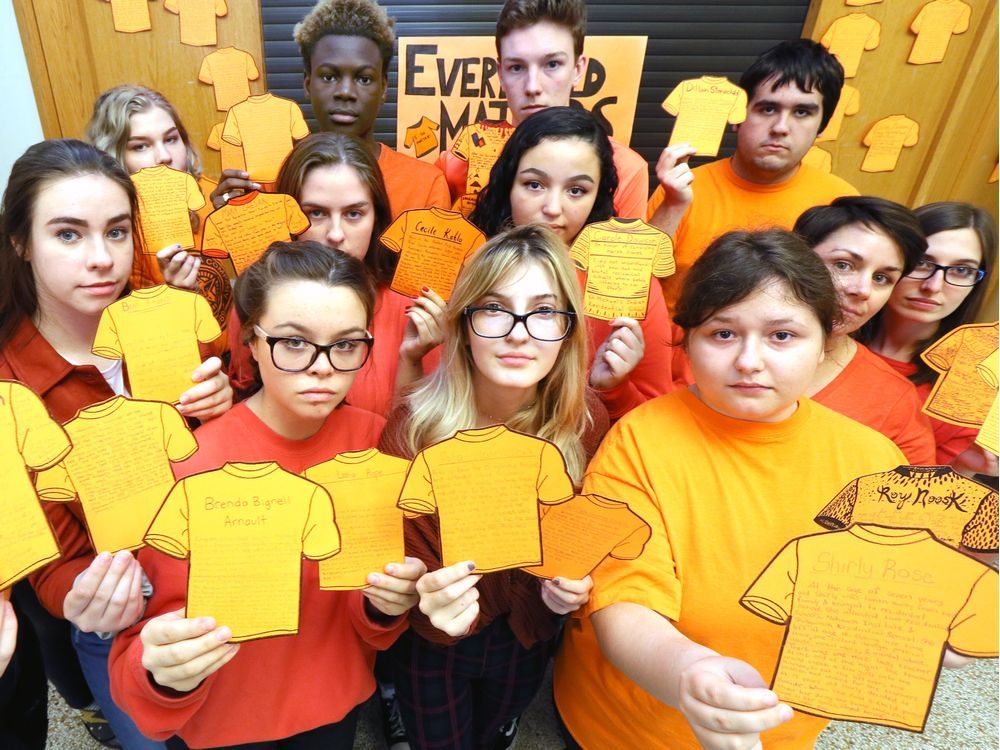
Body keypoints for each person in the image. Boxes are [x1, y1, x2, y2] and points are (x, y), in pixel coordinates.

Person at [553, 229, 908, 750]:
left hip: (780, 727)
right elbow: (624, 595)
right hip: (625, 727)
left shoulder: (875, 461)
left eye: (782, 335)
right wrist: (690, 670)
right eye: (723, 334)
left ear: (825, 343)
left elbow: (888, 594)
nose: (749, 361)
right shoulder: (640, 439)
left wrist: (922, 625)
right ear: (688, 341)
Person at [109, 241, 426, 748]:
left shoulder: (377, 445)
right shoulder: (187, 463)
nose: (323, 366)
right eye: (294, 342)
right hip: (221, 724)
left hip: (332, 709)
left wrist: (385, 606)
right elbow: (137, 653)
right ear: (253, 342)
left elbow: (374, 621)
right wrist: (162, 672)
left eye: (346, 344)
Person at [0, 139, 233, 749]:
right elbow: (45, 550)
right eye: (69, 235)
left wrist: (224, 409)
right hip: (118, 610)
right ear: (22, 242)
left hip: (210, 574)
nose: (102, 259)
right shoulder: (10, 386)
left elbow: (222, 459)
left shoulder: (167, 321)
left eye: (117, 231)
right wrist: (78, 599)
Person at [378, 224, 608, 750]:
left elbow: (589, 536)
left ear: (570, 329)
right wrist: (418, 591)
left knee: (494, 735)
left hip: (527, 635)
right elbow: (397, 553)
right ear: (462, 325)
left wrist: (572, 588)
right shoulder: (413, 427)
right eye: (494, 308)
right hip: (432, 645)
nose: (520, 331)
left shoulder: (586, 425)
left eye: (545, 311)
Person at [470, 106, 675, 417]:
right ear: (507, 183)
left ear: (598, 197)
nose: (552, 208)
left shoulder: (632, 284)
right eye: (534, 185)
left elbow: (655, 416)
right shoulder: (470, 265)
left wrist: (613, 388)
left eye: (576, 190)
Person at [225, 133, 445, 414]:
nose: (336, 235)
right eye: (316, 213)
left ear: (376, 217)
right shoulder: (259, 300)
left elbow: (421, 433)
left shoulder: (413, 308)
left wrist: (410, 360)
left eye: (354, 214)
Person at [647, 39, 858, 308]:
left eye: (802, 112)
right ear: (737, 117)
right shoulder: (683, 188)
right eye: (768, 109)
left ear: (821, 126)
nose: (781, 127)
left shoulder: (840, 202)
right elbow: (637, 284)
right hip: (678, 345)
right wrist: (673, 206)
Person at [436, 0, 649, 219]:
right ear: (500, 74)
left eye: (552, 64)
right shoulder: (460, 159)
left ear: (577, 69)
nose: (532, 87)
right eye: (516, 67)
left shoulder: (625, 169)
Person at [794, 196, 936, 465]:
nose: (862, 290)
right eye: (843, 265)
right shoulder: (707, 342)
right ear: (795, 257)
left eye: (881, 278)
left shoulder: (894, 400)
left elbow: (919, 503)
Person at [861, 201, 998, 475]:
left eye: (961, 270)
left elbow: (930, 503)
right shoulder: (827, 336)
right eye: (923, 262)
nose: (933, 286)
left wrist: (961, 466)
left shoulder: (969, 387)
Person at [294, 0, 451, 218]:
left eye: (364, 79)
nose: (346, 92)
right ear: (308, 84)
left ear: (384, 88)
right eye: (329, 76)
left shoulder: (425, 186)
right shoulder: (280, 181)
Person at [86, 84, 239, 298]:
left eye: (171, 139)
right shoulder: (114, 228)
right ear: (114, 158)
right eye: (140, 146)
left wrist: (234, 221)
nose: (164, 156)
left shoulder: (214, 195)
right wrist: (176, 292)